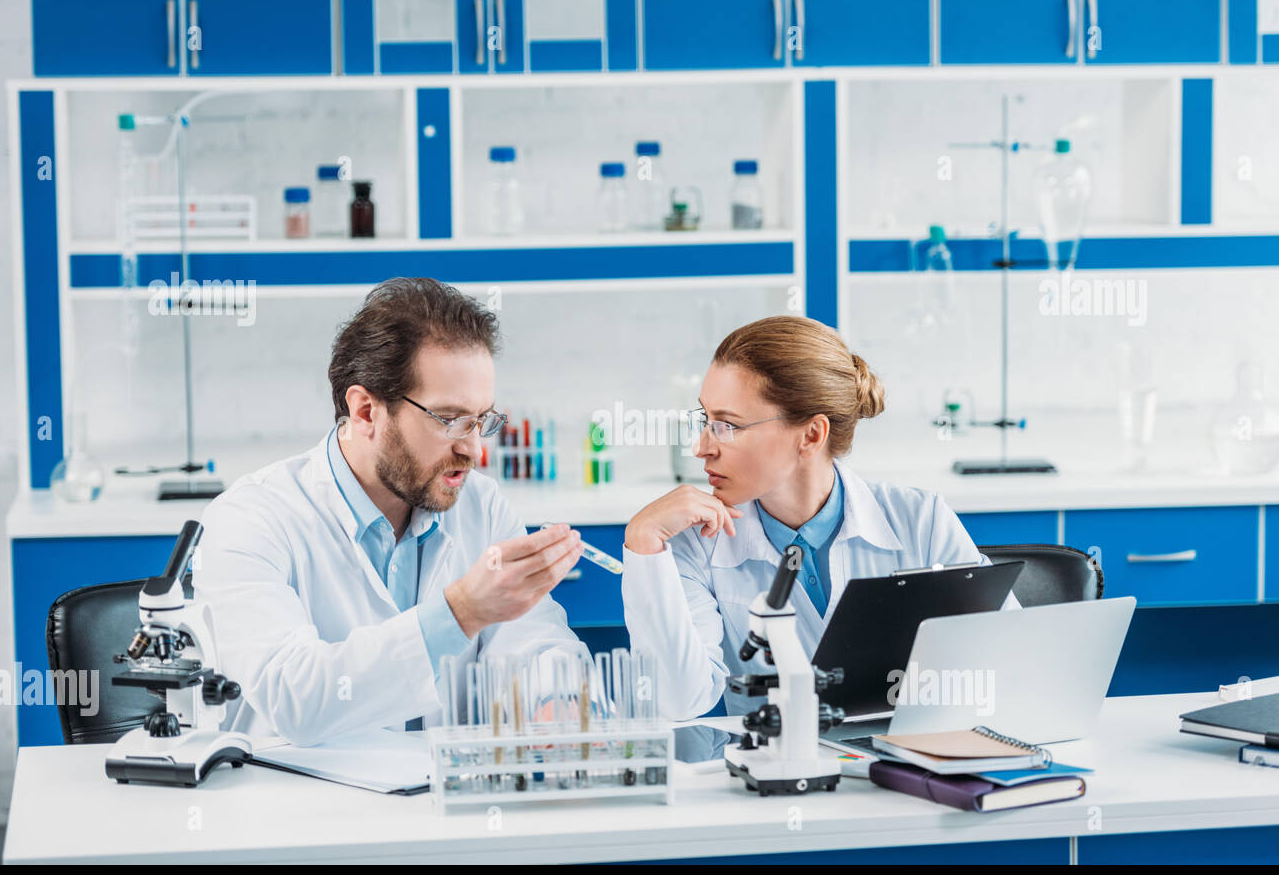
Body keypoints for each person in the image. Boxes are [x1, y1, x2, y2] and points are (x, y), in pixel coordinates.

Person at [195, 277, 585, 746]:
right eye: (450, 420)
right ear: (364, 412)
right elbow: (295, 698)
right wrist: (459, 612)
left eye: (482, 421)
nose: (474, 449)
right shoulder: (251, 518)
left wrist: (553, 700)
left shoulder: (479, 505)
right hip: (298, 807)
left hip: (437, 805)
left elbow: (534, 642)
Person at [621, 315, 1020, 721]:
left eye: (727, 425)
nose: (702, 447)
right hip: (775, 772)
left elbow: (1010, 662)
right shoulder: (699, 541)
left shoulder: (920, 520)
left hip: (909, 767)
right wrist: (643, 542)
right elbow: (678, 700)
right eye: (706, 420)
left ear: (811, 435)